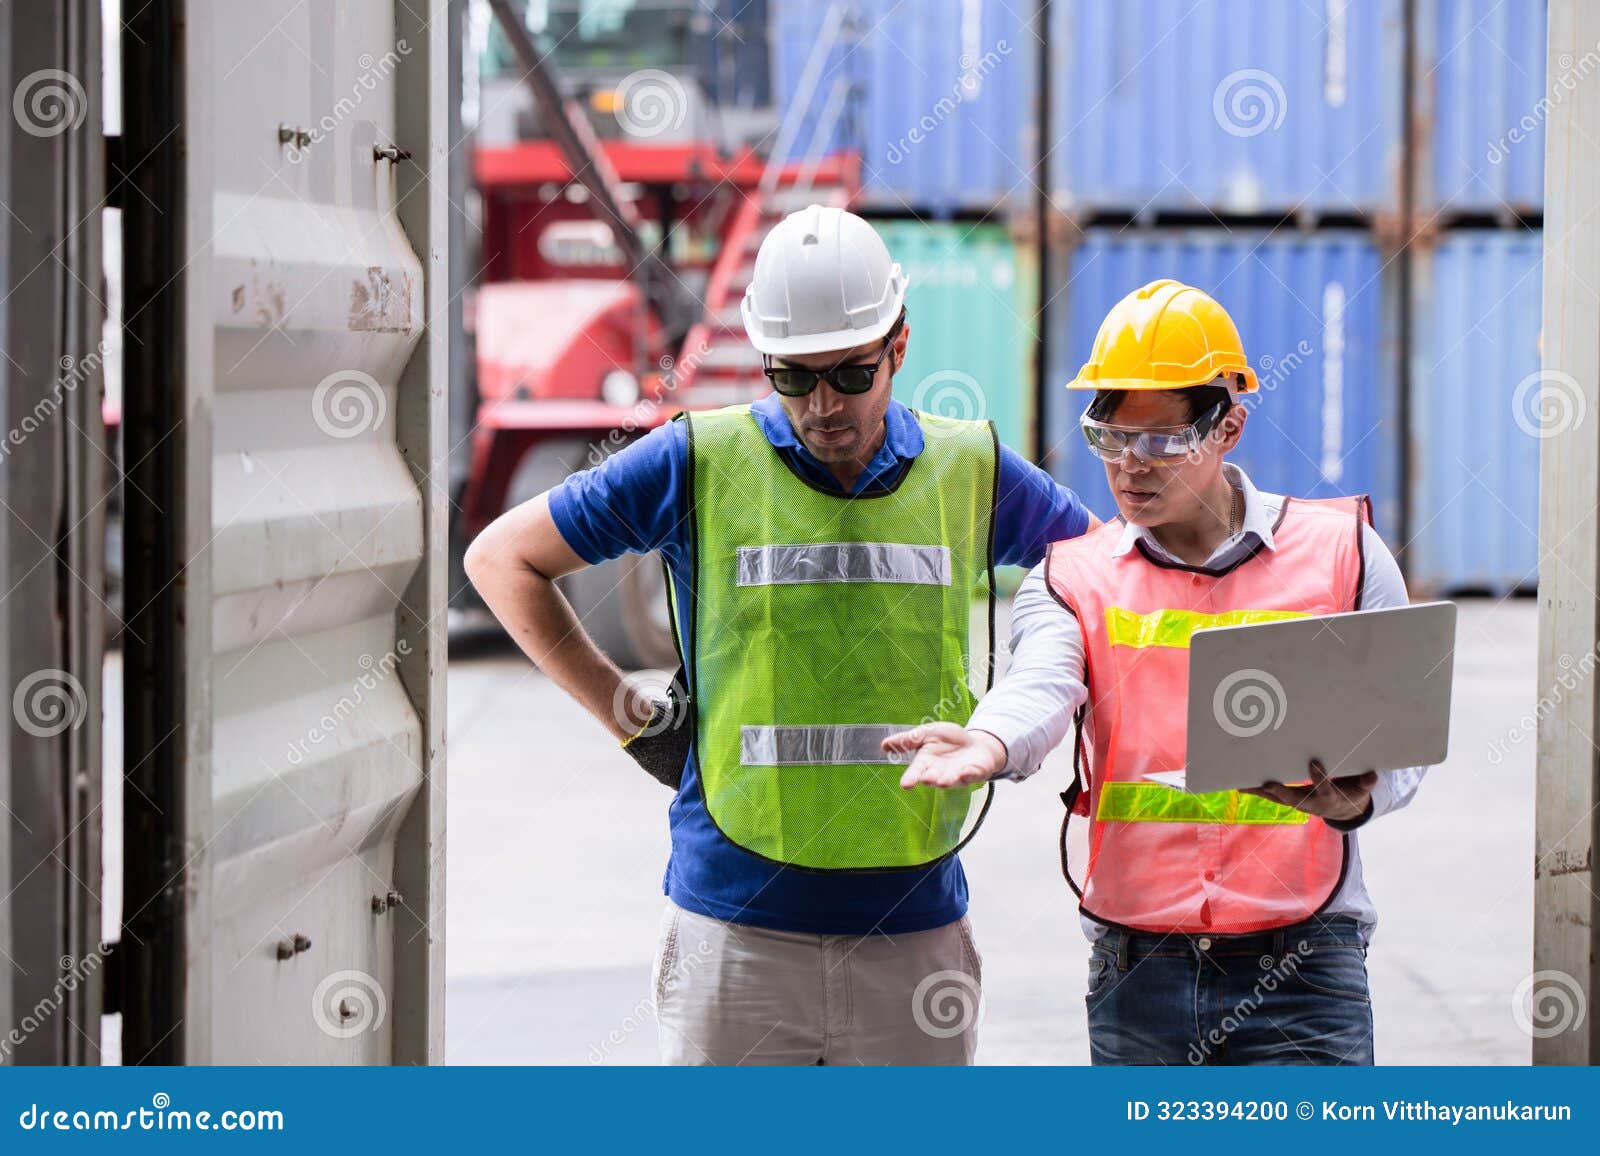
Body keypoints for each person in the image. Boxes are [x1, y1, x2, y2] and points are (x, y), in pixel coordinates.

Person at [465, 204, 1094, 1065]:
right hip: (733, 929)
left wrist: (1009, 725)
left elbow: (1101, 582)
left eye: (849, 373)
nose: (823, 405)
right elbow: (501, 561)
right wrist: (628, 717)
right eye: (793, 377)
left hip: (910, 929)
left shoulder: (971, 468)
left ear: (898, 348)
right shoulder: (696, 459)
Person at [885, 279, 1428, 1066]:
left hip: (1305, 966)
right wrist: (991, 740)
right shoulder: (1070, 576)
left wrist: (1360, 795)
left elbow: (1405, 741)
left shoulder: (1343, 555)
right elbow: (1041, 679)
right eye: (1110, 438)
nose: (1131, 466)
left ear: (1230, 426)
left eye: (1162, 441)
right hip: (1138, 975)